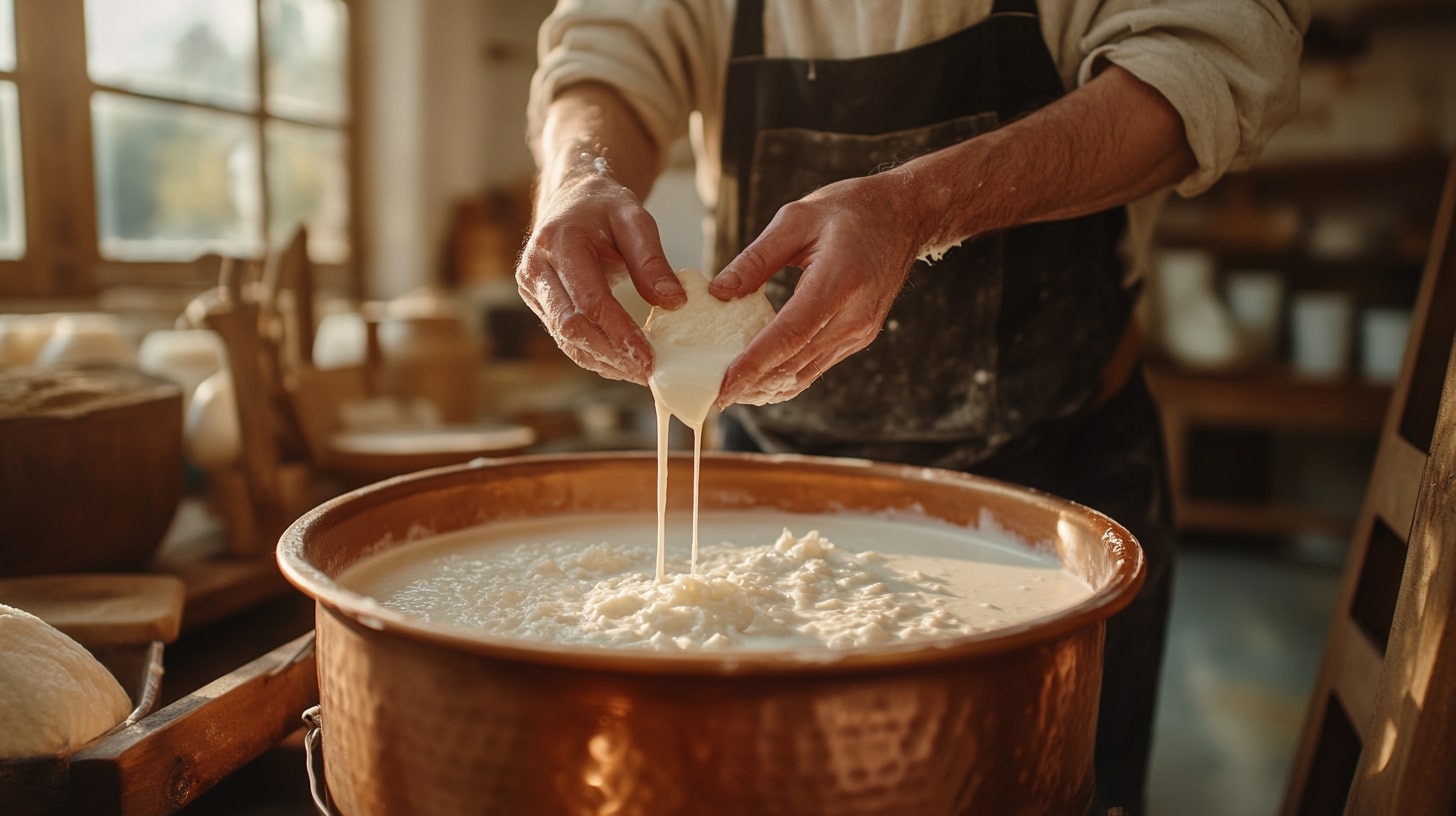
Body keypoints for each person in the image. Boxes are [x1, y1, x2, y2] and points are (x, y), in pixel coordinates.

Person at [517, 1, 1306, 812]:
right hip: (769, 485)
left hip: (1055, 479)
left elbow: (1206, 62)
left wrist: (920, 204)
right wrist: (580, 174)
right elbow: (609, 50)